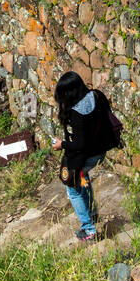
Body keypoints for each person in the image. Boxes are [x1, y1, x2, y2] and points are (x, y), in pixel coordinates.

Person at [52, 71, 116, 242]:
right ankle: (93, 213)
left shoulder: (77, 114)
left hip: (87, 155)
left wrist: (62, 144)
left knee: (72, 189)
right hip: (101, 150)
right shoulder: (97, 95)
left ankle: (88, 229)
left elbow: (80, 144)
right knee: (82, 178)